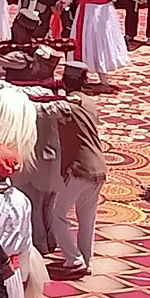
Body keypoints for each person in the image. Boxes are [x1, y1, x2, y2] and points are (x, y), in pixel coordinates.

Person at [49, 61, 106, 280]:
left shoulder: (65, 107)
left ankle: (74, 260)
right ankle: (86, 260)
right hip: (99, 166)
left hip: (80, 168)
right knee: (87, 216)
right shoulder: (89, 102)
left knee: (58, 213)